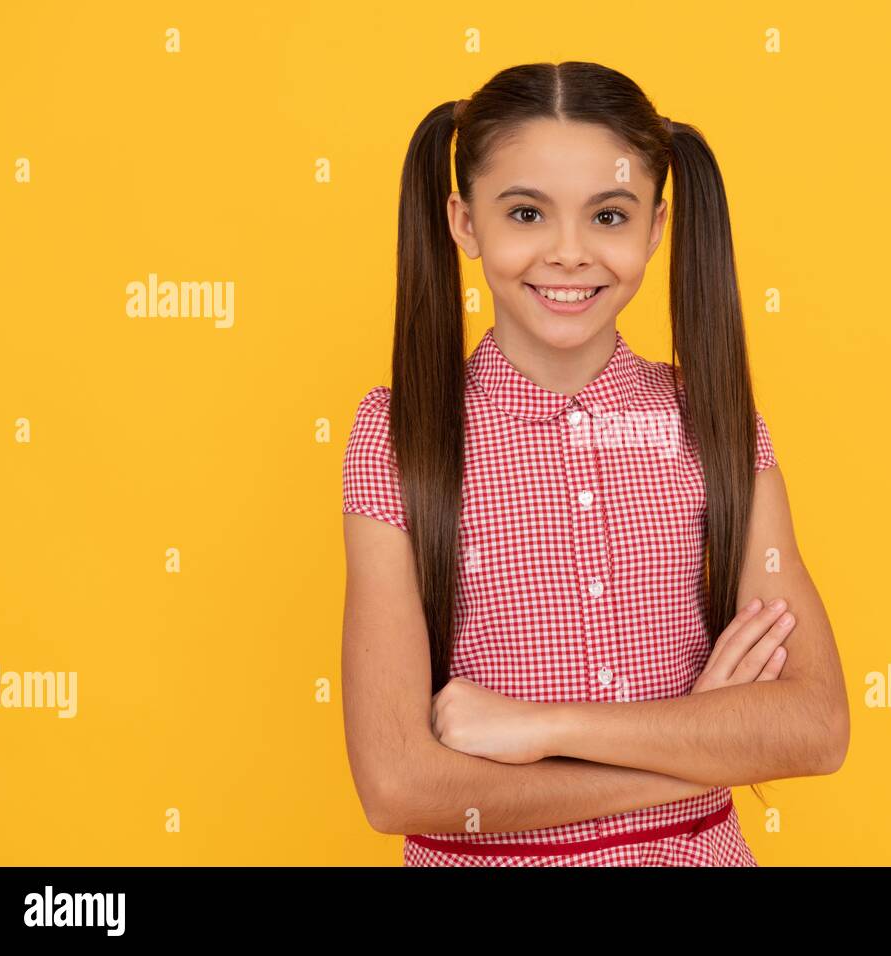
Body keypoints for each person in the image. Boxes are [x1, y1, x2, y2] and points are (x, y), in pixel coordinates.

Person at [340, 61, 849, 866]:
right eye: (527, 212)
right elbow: (400, 785)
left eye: (608, 215)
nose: (570, 253)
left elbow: (814, 728)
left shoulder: (712, 425)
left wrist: (541, 730)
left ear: (654, 228)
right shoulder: (400, 436)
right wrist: (696, 746)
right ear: (465, 223)